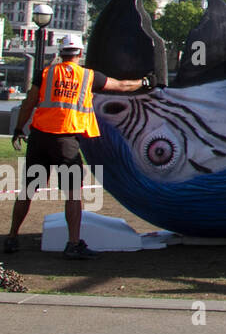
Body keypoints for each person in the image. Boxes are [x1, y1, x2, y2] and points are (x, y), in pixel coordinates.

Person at [5, 34, 148, 259]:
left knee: (28, 190)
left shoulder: (44, 74)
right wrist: (145, 82)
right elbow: (121, 86)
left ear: (61, 53)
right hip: (66, 141)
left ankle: (12, 237)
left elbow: (28, 103)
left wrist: (18, 129)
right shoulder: (88, 76)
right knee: (73, 193)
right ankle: (73, 243)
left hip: (40, 138)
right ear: (80, 54)